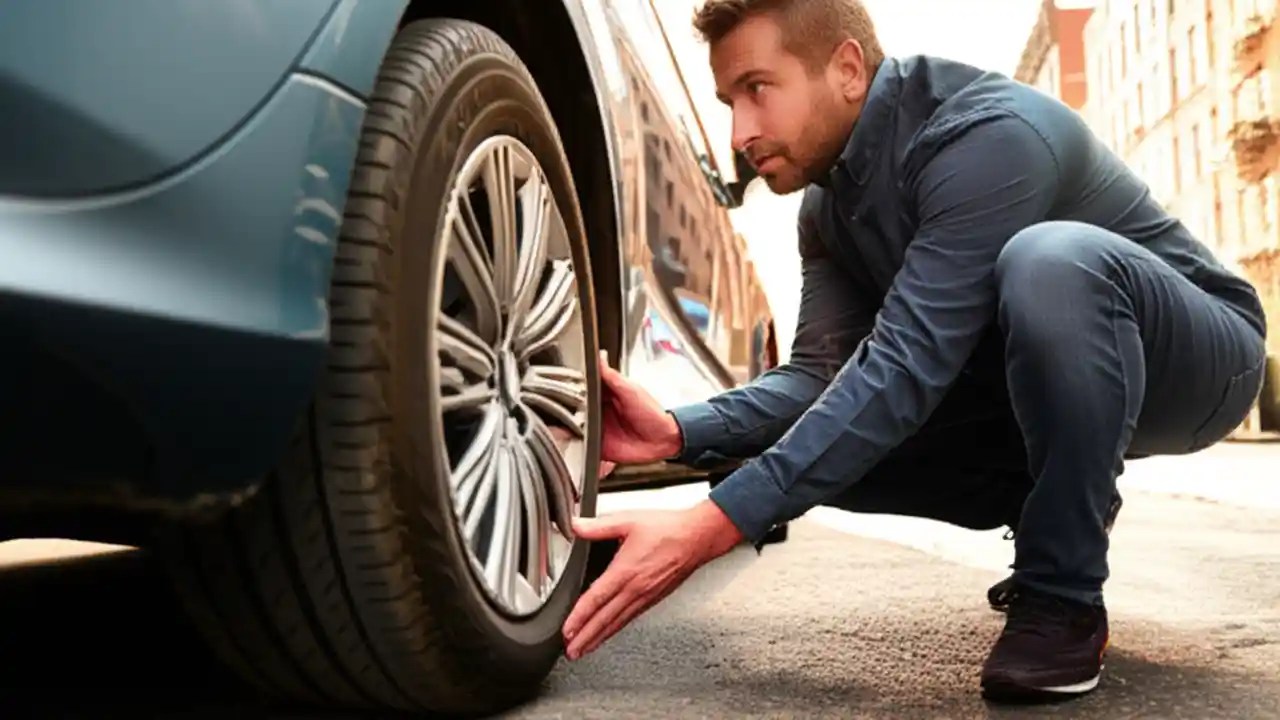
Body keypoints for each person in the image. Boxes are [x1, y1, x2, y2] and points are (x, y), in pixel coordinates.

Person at [560, 0, 1268, 703]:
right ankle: (1044, 499)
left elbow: (907, 361)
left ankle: (1062, 596)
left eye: (757, 90)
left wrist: (708, 530)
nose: (740, 130)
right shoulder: (825, 208)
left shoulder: (985, 136)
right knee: (813, 451)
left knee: (1049, 262)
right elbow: (819, 378)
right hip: (1031, 386)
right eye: (728, 101)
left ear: (844, 68)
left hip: (1197, 359)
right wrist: (680, 432)